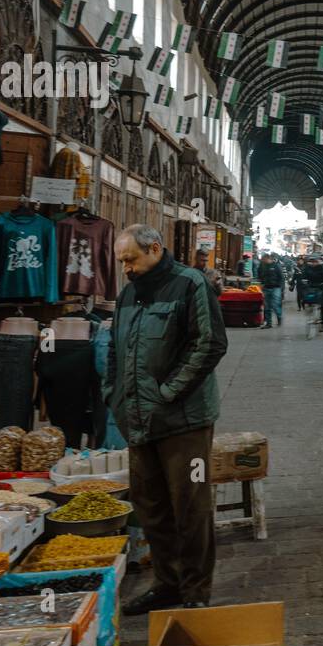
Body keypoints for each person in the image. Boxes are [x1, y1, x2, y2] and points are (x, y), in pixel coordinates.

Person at [106, 225, 227, 614]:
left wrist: (168, 393)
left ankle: (194, 593)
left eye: (131, 259)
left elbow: (210, 343)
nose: (126, 268)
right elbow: (115, 349)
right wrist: (115, 397)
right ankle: (166, 584)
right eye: (122, 261)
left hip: (184, 424)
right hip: (139, 421)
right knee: (152, 507)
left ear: (155, 249)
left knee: (190, 507)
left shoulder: (190, 285)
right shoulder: (129, 294)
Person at [301, 255, 323, 330]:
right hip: (310, 288)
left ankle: (322, 323)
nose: (314, 263)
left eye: (315, 261)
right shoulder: (307, 268)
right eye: (312, 262)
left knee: (322, 306)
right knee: (306, 299)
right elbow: (303, 277)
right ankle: (309, 310)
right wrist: (304, 281)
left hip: (320, 288)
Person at [258, 252, 285, 328]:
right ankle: (269, 323)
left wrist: (281, 288)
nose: (263, 261)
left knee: (275, 305)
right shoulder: (262, 266)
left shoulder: (276, 266)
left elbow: (281, 277)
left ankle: (279, 317)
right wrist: (262, 282)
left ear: (268, 258)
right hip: (266, 287)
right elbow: (259, 274)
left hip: (276, 288)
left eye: (264, 260)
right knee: (267, 306)